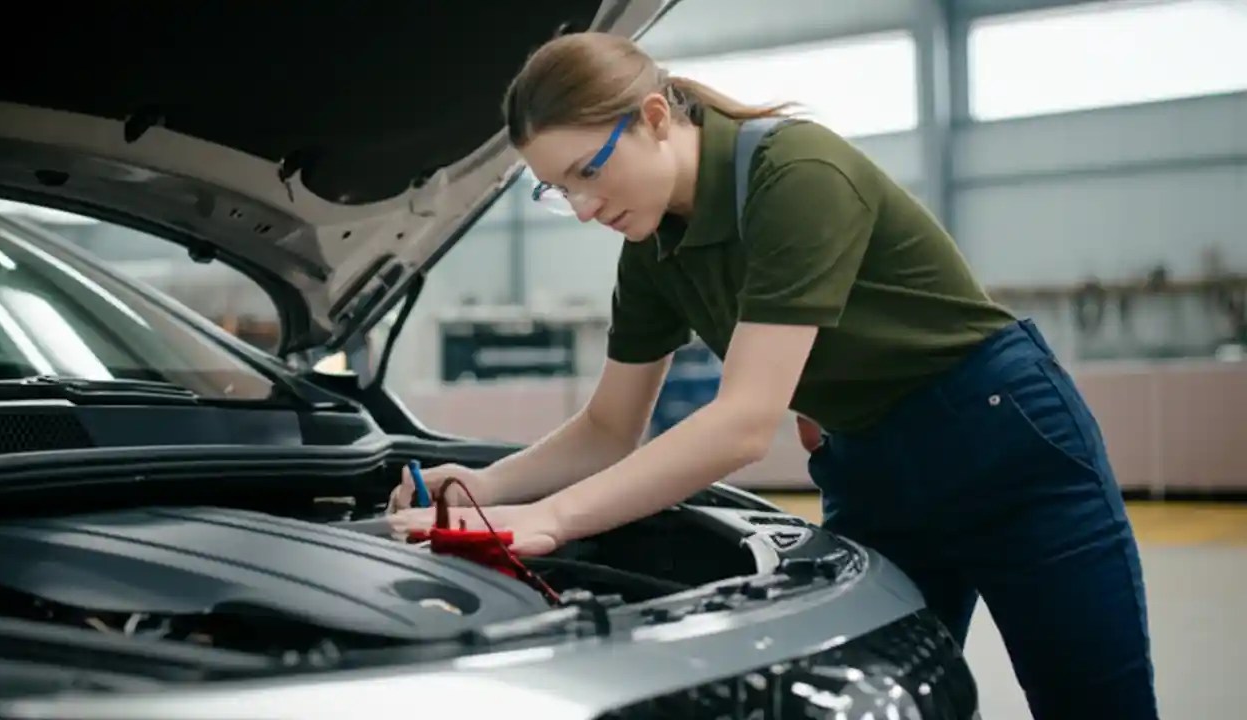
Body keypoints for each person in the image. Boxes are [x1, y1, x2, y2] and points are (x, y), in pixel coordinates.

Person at [388, 31, 1158, 719]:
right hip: (871, 466)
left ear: (656, 117)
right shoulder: (653, 250)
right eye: (560, 191)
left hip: (1003, 443)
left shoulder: (797, 174)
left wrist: (552, 519)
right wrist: (493, 488)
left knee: (1091, 704)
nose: (585, 208)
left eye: (589, 171)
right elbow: (607, 428)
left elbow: (744, 423)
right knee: (877, 701)